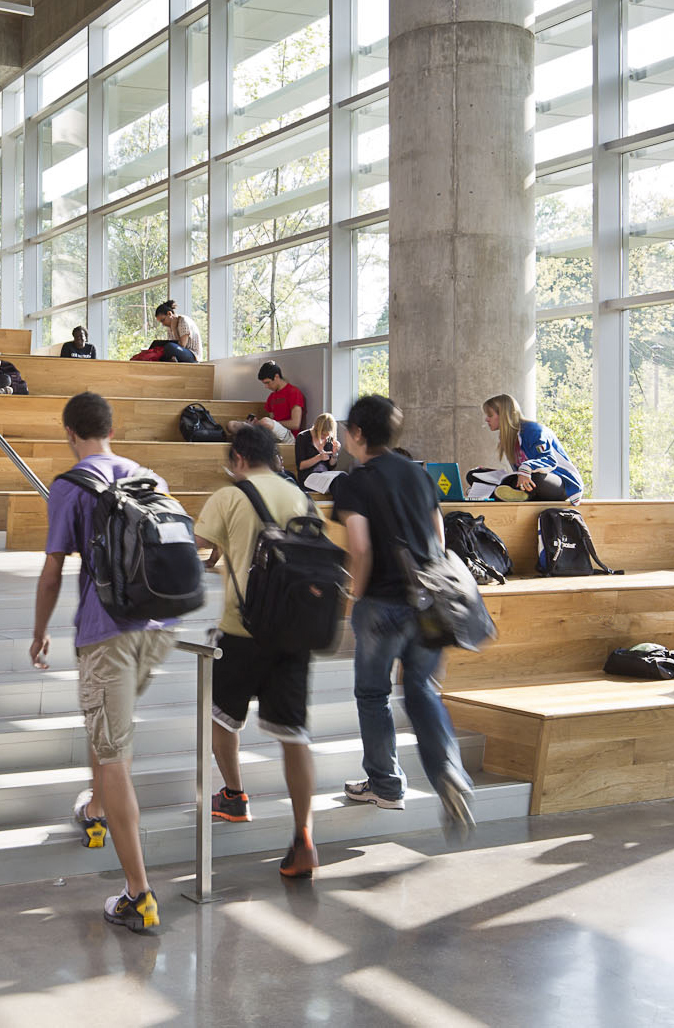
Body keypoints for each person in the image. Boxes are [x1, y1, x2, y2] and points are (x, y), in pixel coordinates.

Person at [31, 391, 179, 934]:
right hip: (158, 630)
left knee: (113, 750)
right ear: (110, 429)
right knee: (105, 726)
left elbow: (52, 572)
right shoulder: (148, 476)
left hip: (107, 633)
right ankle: (95, 809)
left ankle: (138, 894)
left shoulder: (71, 485)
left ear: (70, 432)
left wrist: (40, 629)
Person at [336, 394, 476, 837]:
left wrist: (356, 595)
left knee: (374, 694)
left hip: (382, 603)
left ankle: (385, 784)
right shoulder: (419, 476)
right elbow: (437, 538)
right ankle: (449, 773)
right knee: (421, 690)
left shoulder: (355, 483)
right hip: (430, 601)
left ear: (358, 434)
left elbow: (360, 547)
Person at [192, 423, 321, 879]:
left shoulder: (230, 495)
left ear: (240, 459)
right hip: (294, 632)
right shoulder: (300, 497)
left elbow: (199, 544)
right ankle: (303, 835)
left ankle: (233, 795)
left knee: (220, 715)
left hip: (241, 630)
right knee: (294, 733)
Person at [478, 393, 583, 503]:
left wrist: (526, 468)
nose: (486, 419)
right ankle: (511, 493)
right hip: (530, 483)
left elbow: (550, 461)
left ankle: (514, 494)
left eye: (490, 415)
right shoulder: (509, 438)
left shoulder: (534, 430)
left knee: (536, 479)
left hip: (561, 482)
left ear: (504, 415)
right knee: (476, 475)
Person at [295, 413, 351, 493]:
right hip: (308, 477)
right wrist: (319, 457)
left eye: (327, 435)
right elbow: (301, 466)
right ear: (316, 429)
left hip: (325, 476)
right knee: (336, 483)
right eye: (322, 434)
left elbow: (331, 466)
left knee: (343, 477)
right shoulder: (303, 437)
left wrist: (334, 454)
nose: (324, 437)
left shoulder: (328, 440)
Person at [256, 361, 305, 440]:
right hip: (275, 433)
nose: (266, 386)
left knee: (265, 422)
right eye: (264, 384)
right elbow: (272, 420)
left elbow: (295, 424)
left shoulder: (293, 392)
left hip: (290, 435)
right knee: (234, 425)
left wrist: (271, 423)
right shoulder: (271, 397)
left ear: (276, 377)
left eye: (268, 383)